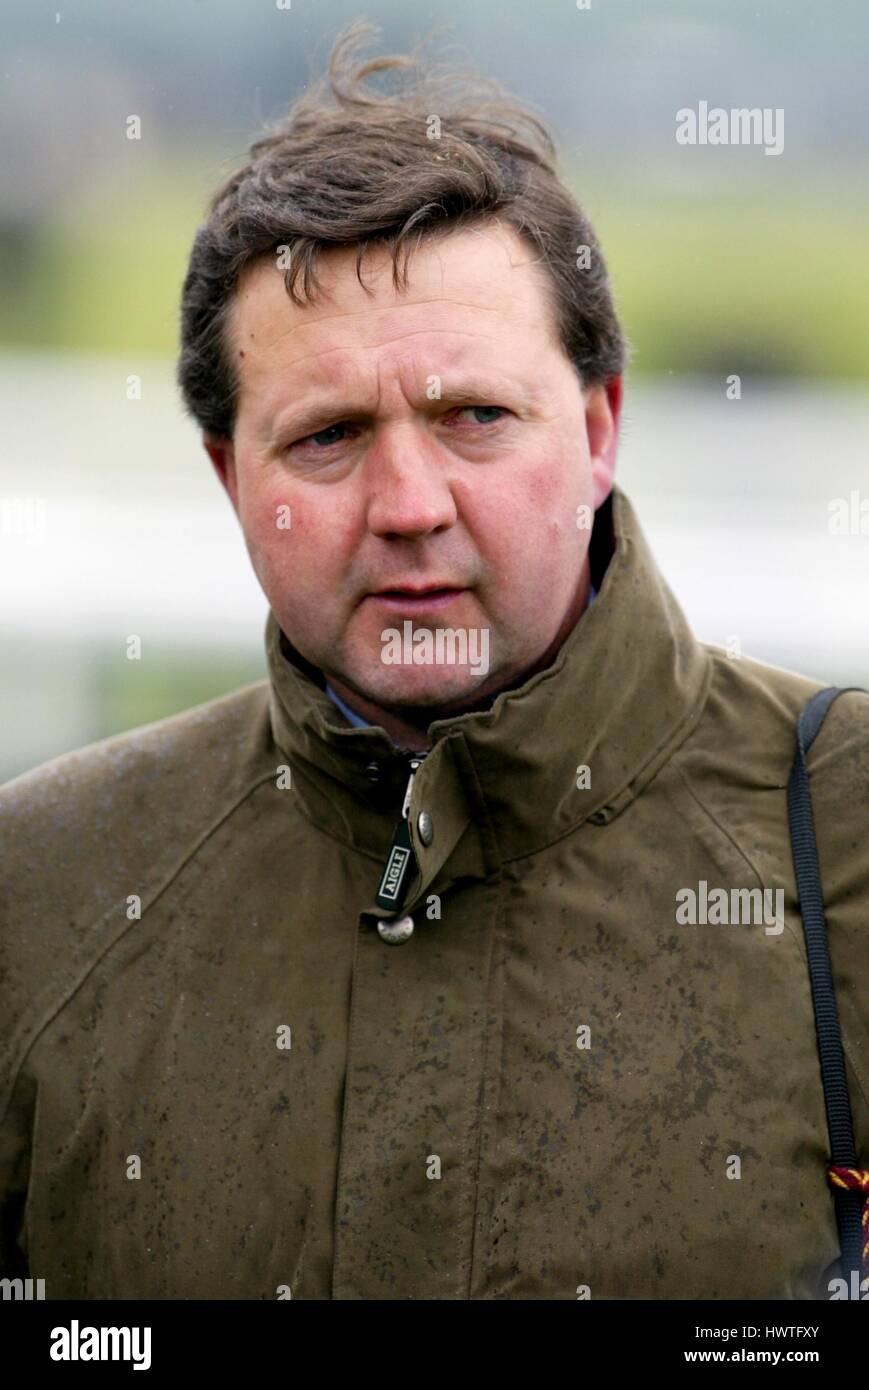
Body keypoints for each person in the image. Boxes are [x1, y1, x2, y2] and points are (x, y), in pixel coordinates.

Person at [1, 20, 866, 1301]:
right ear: (227, 479)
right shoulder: (42, 886)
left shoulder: (842, 830)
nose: (409, 502)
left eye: (473, 417)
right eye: (329, 437)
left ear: (596, 427)